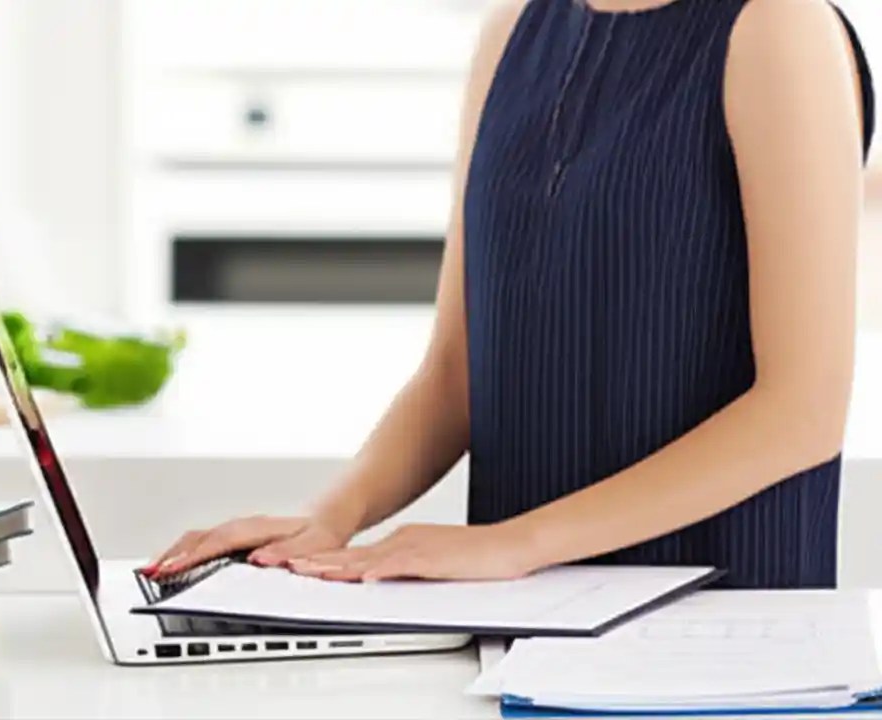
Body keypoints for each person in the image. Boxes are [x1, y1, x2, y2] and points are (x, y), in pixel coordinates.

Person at [149, 0, 876, 590]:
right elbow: (456, 374)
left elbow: (801, 412)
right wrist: (330, 517)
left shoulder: (779, 27)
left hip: (723, 627)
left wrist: (514, 544)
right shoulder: (510, 33)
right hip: (522, 627)